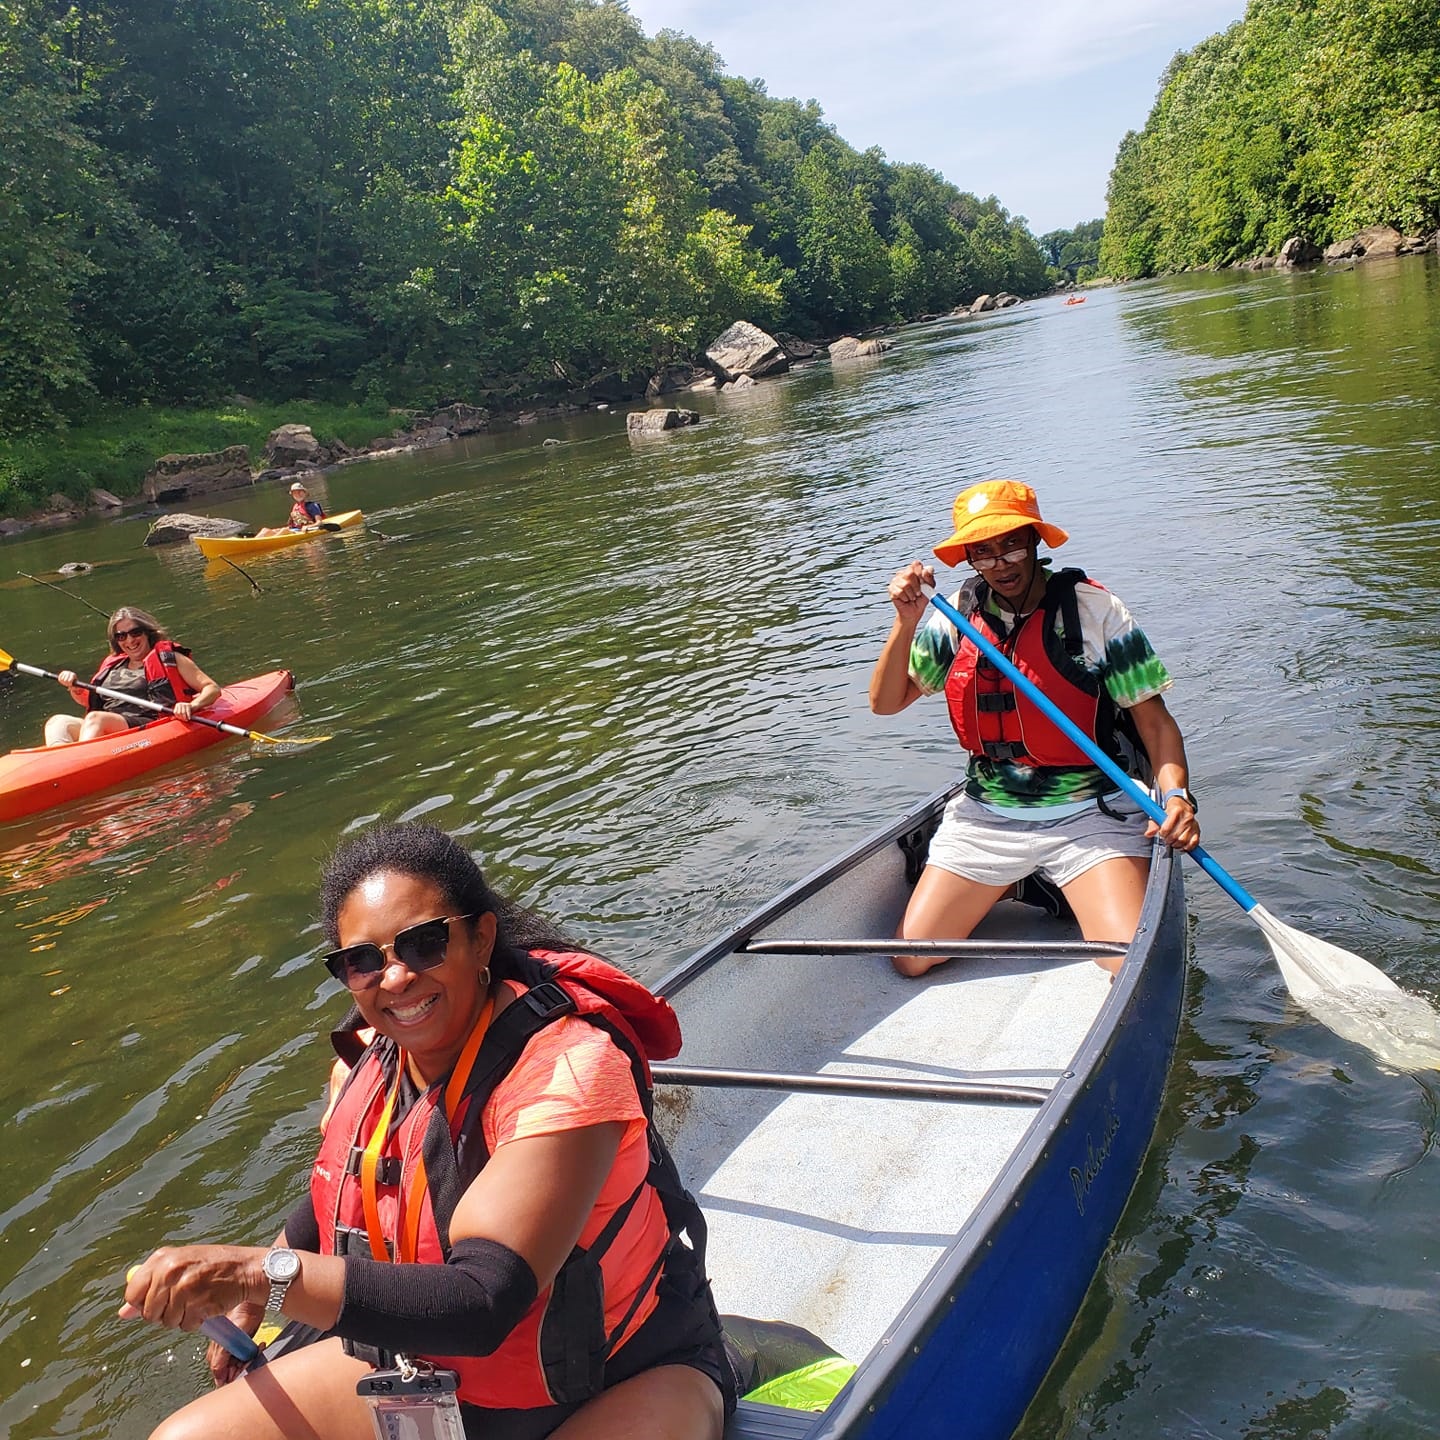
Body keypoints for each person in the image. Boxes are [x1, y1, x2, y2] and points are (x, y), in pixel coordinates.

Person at [120, 822, 733, 1440]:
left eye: (424, 945)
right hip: (430, 1370)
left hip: (619, 1374)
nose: (395, 978)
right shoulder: (370, 1060)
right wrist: (255, 1300)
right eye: (362, 961)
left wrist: (259, 1274)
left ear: (482, 937)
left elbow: (482, 1301)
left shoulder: (568, 1070)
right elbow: (343, 1187)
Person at [869, 479, 1201, 976]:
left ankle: (1055, 879)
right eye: (983, 552)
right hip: (989, 816)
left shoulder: (1094, 611)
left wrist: (1177, 798)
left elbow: (1155, 726)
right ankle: (1024, 879)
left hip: (1090, 816)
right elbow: (886, 702)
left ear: (1035, 542)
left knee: (1128, 966)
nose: (1000, 564)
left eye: (1011, 545)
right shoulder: (954, 616)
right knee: (911, 961)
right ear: (970, 558)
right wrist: (905, 622)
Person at [43, 606, 221, 746]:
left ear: (147, 632)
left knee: (95, 718)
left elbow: (212, 688)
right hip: (105, 725)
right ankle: (57, 768)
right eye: (121, 636)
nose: (129, 640)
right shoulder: (112, 664)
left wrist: (191, 705)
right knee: (58, 722)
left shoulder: (169, 658)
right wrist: (74, 687)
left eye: (135, 632)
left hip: (147, 724)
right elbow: (88, 701)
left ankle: (78, 766)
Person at [256, 481, 327, 538]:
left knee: (284, 530)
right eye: (295, 493)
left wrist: (308, 526)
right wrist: (277, 530)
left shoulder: (312, 506)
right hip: (295, 529)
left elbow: (319, 522)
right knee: (265, 530)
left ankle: (268, 543)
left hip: (305, 530)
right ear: (293, 495)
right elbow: (290, 525)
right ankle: (255, 541)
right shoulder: (295, 507)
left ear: (305, 493)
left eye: (300, 492)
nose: (298, 494)